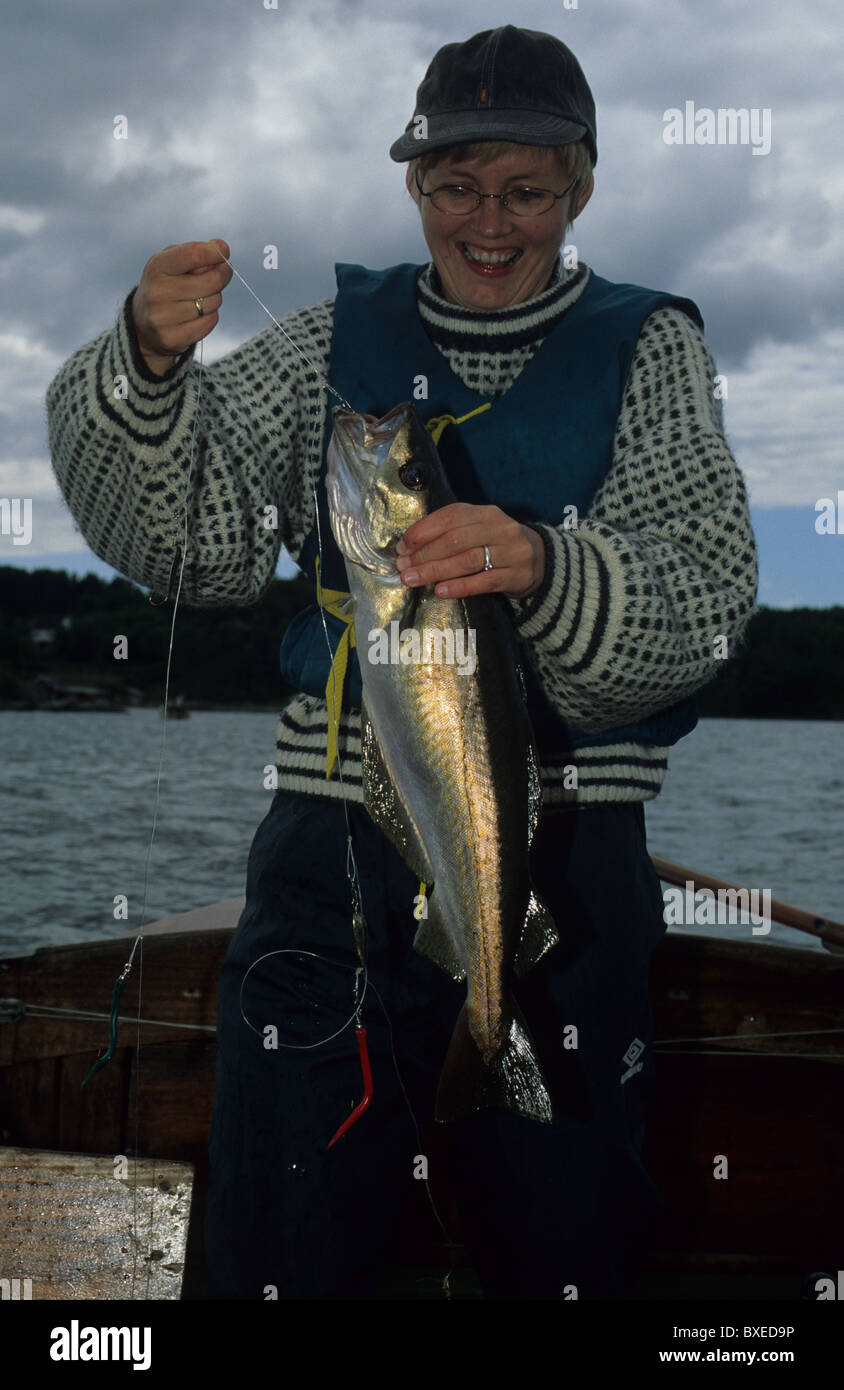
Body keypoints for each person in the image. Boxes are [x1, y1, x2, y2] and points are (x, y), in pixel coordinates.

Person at [46, 25, 758, 1300]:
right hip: (329, 866)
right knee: (285, 1243)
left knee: (566, 1243)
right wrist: (147, 370)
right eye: (454, 186)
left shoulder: (652, 349)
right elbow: (185, 543)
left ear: (582, 187)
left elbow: (710, 599)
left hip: (568, 867)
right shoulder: (330, 342)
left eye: (526, 190)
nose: (489, 221)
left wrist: (547, 566)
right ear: (411, 187)